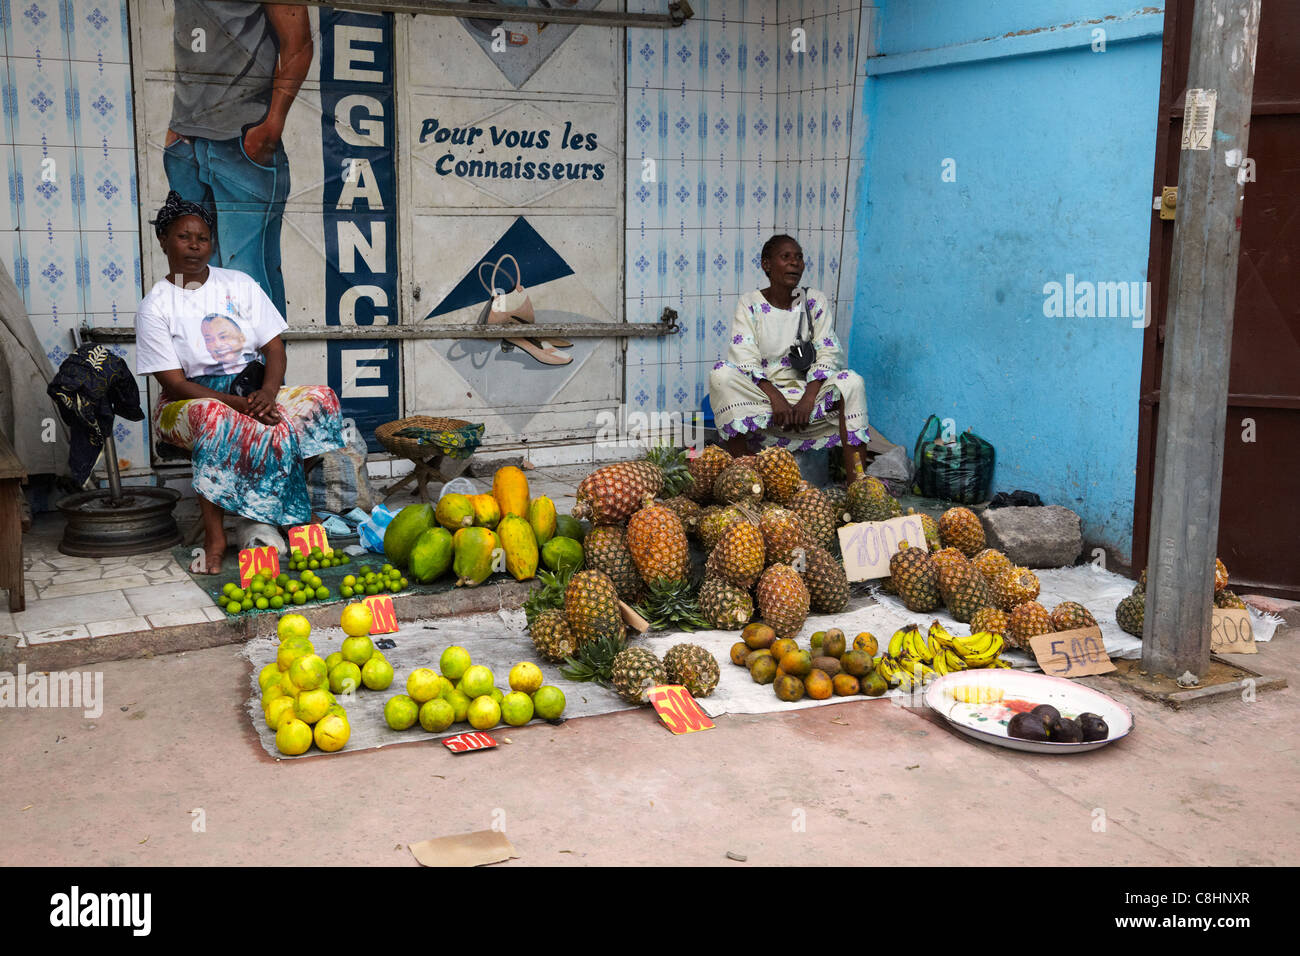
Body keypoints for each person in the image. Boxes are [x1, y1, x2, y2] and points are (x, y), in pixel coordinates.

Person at [135, 192, 344, 573]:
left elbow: (275, 350)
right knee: (213, 416)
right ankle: (216, 537)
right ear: (164, 240)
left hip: (252, 389)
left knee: (321, 400)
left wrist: (266, 392)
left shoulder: (239, 284)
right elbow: (175, 382)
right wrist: (239, 404)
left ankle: (275, 508)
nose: (195, 246)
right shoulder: (156, 306)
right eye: (184, 237)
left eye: (202, 238)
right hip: (187, 402)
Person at [162, 1, 313, 315]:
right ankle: (207, 366)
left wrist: (271, 126)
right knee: (190, 281)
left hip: (242, 142)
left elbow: (297, 44)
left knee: (246, 282)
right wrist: (178, 124)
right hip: (185, 142)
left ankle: (254, 367)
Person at [708, 235, 870, 482]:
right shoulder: (750, 304)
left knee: (853, 382)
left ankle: (859, 485)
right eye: (786, 257)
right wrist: (776, 398)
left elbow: (829, 352)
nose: (795, 263)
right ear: (766, 265)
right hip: (764, 398)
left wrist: (808, 398)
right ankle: (745, 479)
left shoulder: (814, 301)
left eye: (799, 257)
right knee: (721, 375)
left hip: (808, 397)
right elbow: (745, 359)